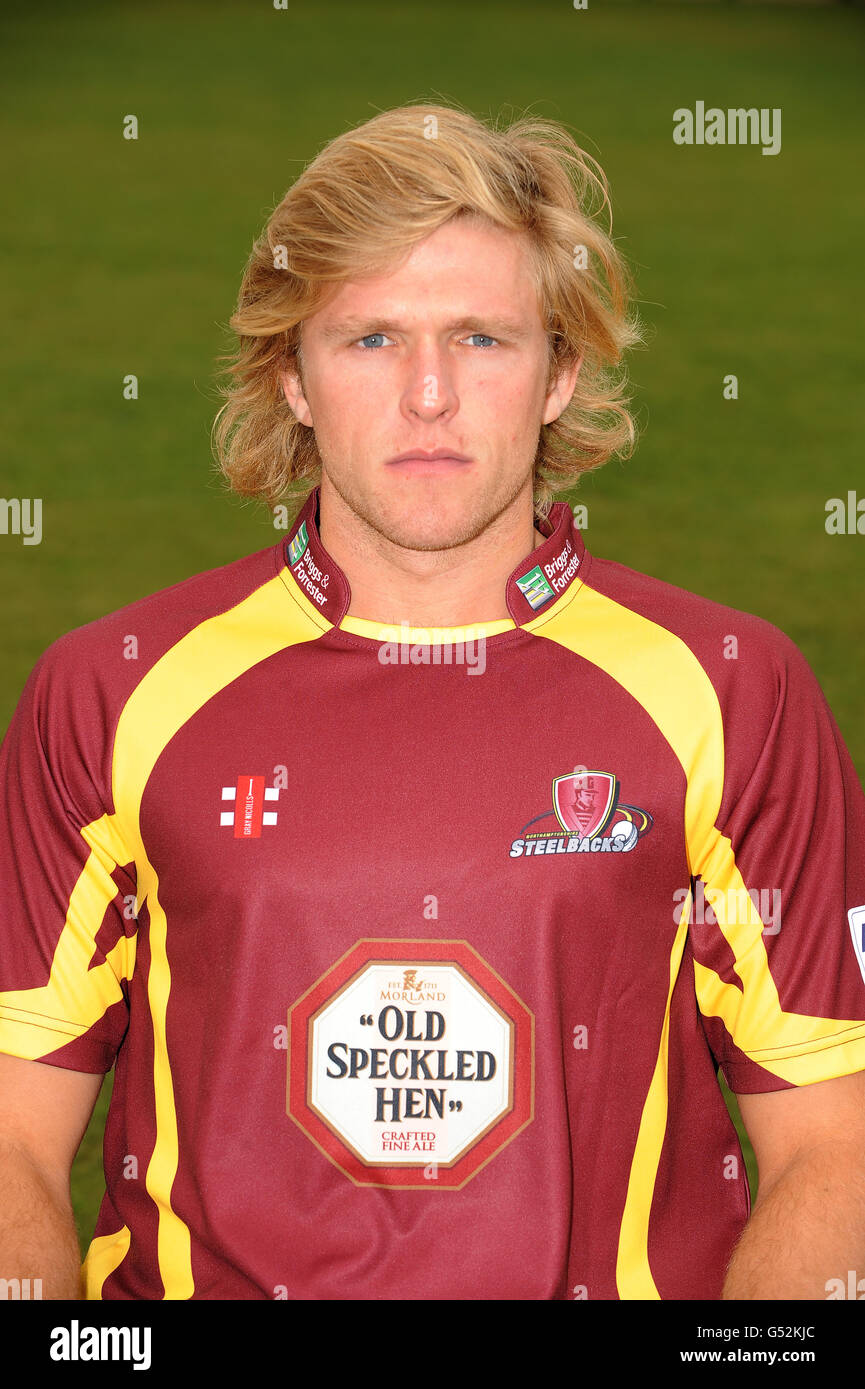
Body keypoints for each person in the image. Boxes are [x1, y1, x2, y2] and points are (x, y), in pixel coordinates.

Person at [1, 102, 864, 1303]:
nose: (426, 395)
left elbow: (837, 1148)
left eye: (480, 338)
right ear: (290, 376)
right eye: (367, 340)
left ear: (560, 372)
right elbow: (13, 1142)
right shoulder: (113, 688)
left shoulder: (727, 686)